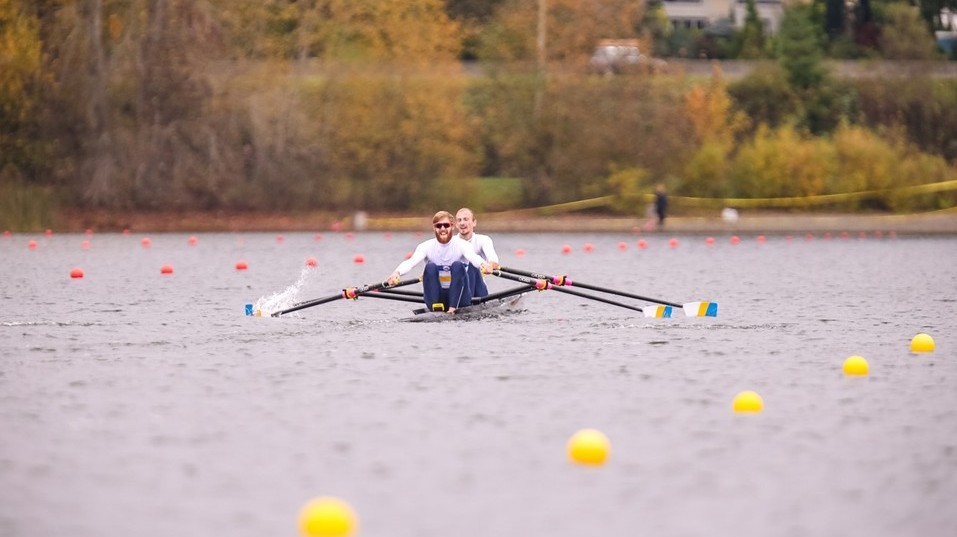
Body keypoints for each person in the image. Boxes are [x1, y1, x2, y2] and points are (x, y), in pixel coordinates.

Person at [388, 211, 492, 313]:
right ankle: (436, 308)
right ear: (434, 228)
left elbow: (474, 258)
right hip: (437, 297)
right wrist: (397, 273)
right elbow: (410, 262)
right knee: (430, 267)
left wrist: (484, 264)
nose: (442, 229)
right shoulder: (426, 246)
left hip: (460, 297)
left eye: (446, 225)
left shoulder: (463, 245)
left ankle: (452, 308)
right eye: (439, 226)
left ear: (452, 226)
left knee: (457, 266)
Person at [454, 207, 500, 299]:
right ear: (456, 224)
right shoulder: (451, 242)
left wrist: (489, 266)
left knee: (471, 262)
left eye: (466, 219)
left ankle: (466, 302)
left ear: (474, 222)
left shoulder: (483, 240)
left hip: (477, 290)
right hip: (455, 289)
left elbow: (494, 261)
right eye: (459, 220)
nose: (462, 223)